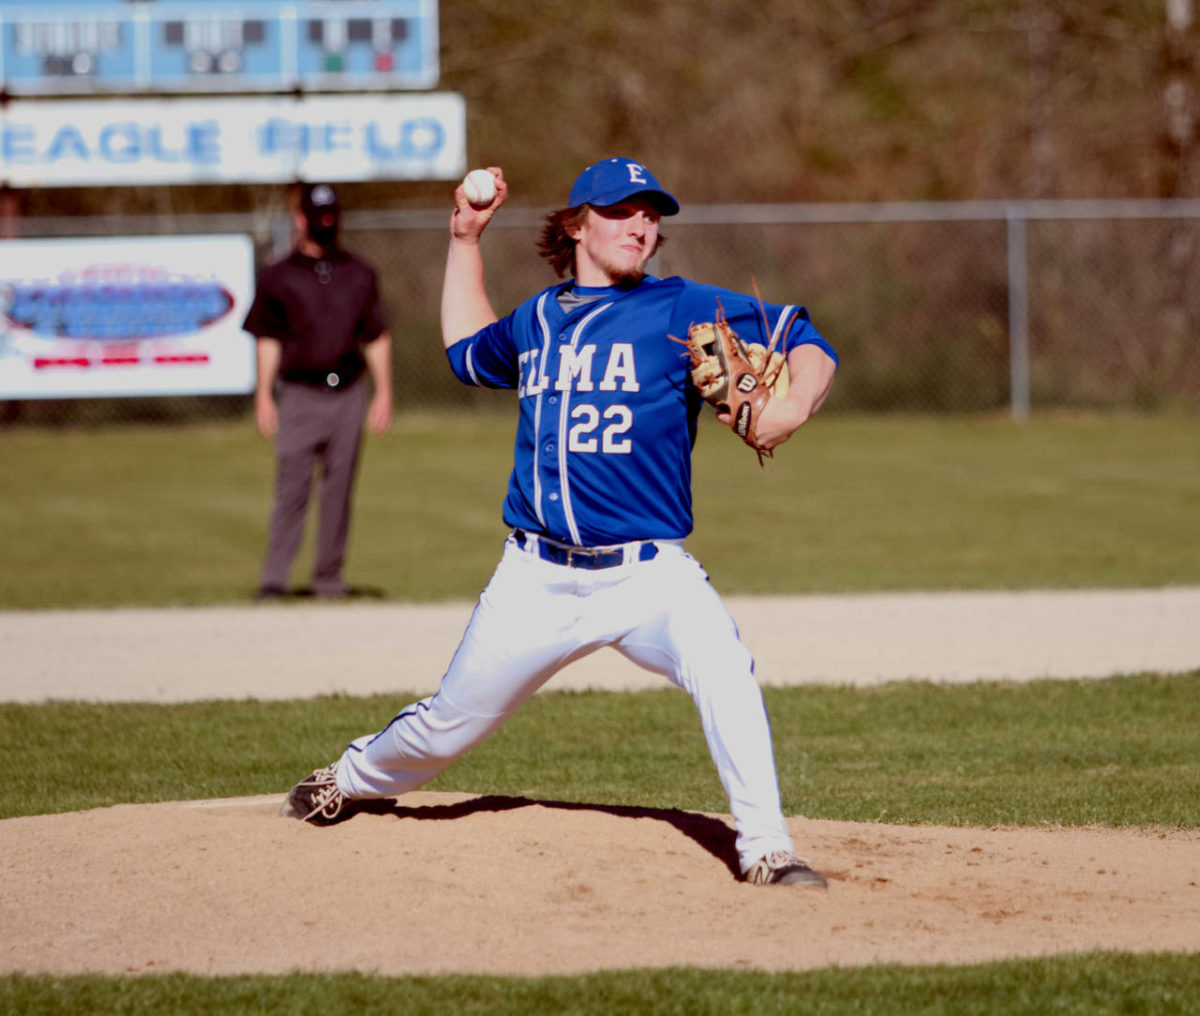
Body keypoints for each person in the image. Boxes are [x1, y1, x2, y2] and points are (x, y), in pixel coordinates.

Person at [280, 158, 839, 887]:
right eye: (621, 211)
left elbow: (808, 339)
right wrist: (464, 239)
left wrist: (790, 409)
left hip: (647, 575)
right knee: (451, 720)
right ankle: (352, 778)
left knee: (726, 671)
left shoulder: (679, 308)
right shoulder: (538, 318)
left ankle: (767, 848)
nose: (642, 224)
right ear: (576, 224)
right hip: (535, 578)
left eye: (651, 214)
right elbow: (464, 350)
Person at [243, 182, 393, 600]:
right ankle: (275, 579)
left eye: (332, 216)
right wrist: (263, 395)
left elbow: (376, 334)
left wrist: (384, 392)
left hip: (348, 392)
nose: (326, 223)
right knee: (291, 486)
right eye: (317, 216)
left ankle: (328, 578)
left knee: (339, 489)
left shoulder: (359, 273)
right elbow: (268, 338)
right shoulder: (279, 276)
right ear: (301, 219)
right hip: (300, 393)